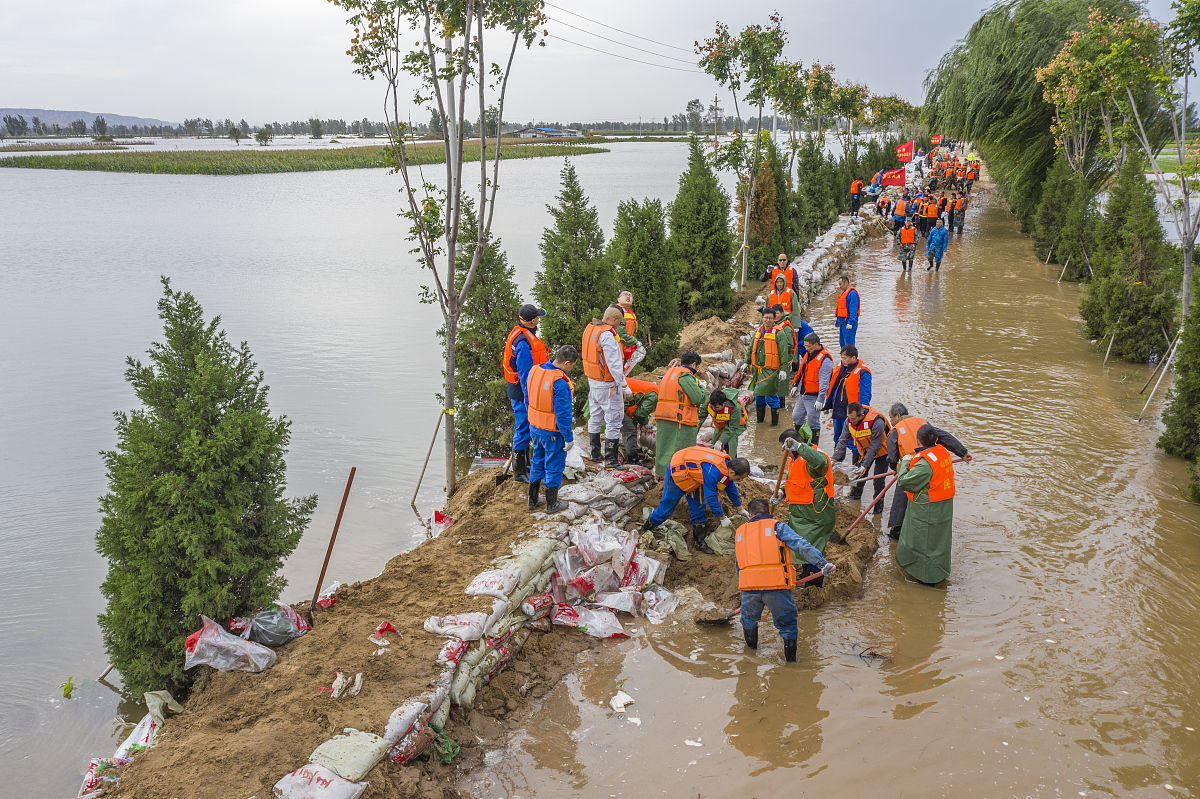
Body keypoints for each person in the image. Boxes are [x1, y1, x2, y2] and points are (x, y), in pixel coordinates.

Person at [735, 497, 835, 662]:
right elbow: (801, 545)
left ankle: (750, 656)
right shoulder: (778, 527)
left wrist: (745, 585)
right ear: (769, 512)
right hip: (776, 587)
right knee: (788, 626)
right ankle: (791, 663)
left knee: (748, 619)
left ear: (750, 514)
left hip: (749, 587)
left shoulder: (740, 532)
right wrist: (822, 564)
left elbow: (738, 563)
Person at [885, 403, 971, 538]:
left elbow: (891, 457)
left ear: (898, 415)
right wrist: (963, 453)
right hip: (930, 467)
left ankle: (896, 533)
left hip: (911, 469)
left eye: (891, 417)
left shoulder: (895, 431)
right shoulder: (923, 423)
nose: (890, 421)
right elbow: (944, 436)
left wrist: (897, 469)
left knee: (901, 498)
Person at [642, 447, 750, 553]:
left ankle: (699, 542)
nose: (738, 481)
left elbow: (730, 487)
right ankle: (647, 527)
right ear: (732, 472)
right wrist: (722, 518)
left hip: (694, 477)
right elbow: (711, 498)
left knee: (699, 508)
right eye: (739, 478)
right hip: (678, 472)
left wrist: (740, 509)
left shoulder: (727, 467)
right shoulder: (713, 472)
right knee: (667, 507)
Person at [895, 425, 958, 585]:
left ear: (918, 441)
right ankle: (940, 571)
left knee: (923, 540)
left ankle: (925, 576)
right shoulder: (943, 452)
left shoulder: (924, 464)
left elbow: (904, 481)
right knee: (940, 540)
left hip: (927, 508)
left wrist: (904, 464)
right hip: (944, 505)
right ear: (936, 440)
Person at [526, 345, 578, 513]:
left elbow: (527, 397)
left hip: (535, 426)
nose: (571, 369)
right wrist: (568, 437)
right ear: (567, 363)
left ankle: (532, 500)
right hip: (552, 432)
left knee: (537, 461)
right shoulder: (560, 382)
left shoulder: (535, 370)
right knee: (554, 465)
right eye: (572, 366)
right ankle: (551, 503)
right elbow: (563, 414)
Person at [502, 303, 549, 483]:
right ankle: (519, 471)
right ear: (531, 321)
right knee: (522, 428)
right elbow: (524, 375)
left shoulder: (525, 334)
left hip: (524, 389)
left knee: (526, 429)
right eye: (537, 318)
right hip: (522, 392)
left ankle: (525, 464)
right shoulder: (522, 343)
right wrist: (529, 400)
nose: (539, 320)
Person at [775, 428, 838, 557]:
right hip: (800, 513)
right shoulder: (793, 460)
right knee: (802, 546)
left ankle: (815, 575)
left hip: (814, 514)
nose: (784, 453)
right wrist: (781, 491)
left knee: (812, 546)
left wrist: (799, 448)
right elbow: (792, 479)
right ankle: (805, 571)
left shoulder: (813, 456)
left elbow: (820, 462)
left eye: (784, 449)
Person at [582, 306, 628, 470]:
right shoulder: (607, 336)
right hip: (608, 385)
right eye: (619, 322)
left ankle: (595, 454)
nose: (618, 326)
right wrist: (624, 384)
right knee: (614, 420)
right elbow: (614, 364)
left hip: (592, 382)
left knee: (595, 416)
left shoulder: (590, 330)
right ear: (614, 319)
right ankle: (611, 460)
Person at [832, 402, 892, 520]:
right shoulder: (848, 421)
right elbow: (843, 440)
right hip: (864, 450)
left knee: (878, 481)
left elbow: (875, 447)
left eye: (853, 419)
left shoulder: (877, 422)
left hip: (882, 452)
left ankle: (878, 509)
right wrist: (834, 459)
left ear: (861, 415)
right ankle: (855, 496)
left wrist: (864, 465)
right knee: (858, 475)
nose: (851, 421)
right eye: (849, 417)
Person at [653, 351, 707, 477]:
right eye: (697, 367)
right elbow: (697, 398)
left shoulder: (670, 373)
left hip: (664, 417)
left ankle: (661, 475)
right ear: (694, 364)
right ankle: (676, 477)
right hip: (680, 421)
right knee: (679, 452)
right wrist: (702, 388)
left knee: (664, 449)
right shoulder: (686, 376)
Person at [745, 305, 791, 427]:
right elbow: (751, 347)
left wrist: (783, 370)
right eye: (766, 318)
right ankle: (760, 421)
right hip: (758, 369)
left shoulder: (779, 333)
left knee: (771, 395)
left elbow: (783, 352)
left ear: (774, 319)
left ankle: (774, 424)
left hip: (771, 370)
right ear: (762, 318)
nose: (768, 320)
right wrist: (746, 361)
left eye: (770, 318)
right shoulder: (758, 331)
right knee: (759, 396)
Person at [825, 345, 871, 456]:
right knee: (838, 439)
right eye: (842, 358)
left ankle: (858, 467)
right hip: (838, 411)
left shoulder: (863, 373)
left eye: (845, 358)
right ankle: (837, 464)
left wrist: (862, 415)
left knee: (854, 443)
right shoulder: (842, 367)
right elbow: (833, 386)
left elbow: (865, 396)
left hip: (852, 414)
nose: (842, 360)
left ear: (854, 358)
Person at [790, 332, 832, 446]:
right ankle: (799, 443)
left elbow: (824, 382)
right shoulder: (808, 354)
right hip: (802, 393)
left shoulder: (825, 359)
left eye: (808, 346)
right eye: (805, 346)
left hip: (814, 396)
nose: (806, 348)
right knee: (796, 416)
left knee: (813, 421)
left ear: (816, 344)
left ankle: (814, 446)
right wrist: (795, 385)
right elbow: (801, 372)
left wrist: (821, 399)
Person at [621, 376, 658, 466]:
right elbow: (640, 414)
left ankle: (632, 454)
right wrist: (645, 423)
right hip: (614, 398)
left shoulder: (654, 390)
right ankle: (632, 460)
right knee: (630, 431)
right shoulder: (655, 396)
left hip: (611, 393)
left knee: (630, 428)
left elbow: (634, 412)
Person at [707, 387, 748, 457]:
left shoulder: (736, 408)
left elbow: (731, 428)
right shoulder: (711, 401)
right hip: (720, 424)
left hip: (735, 426)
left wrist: (720, 441)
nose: (713, 409)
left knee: (731, 442)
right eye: (712, 406)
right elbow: (702, 415)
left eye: (716, 407)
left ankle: (732, 460)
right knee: (714, 442)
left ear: (724, 404)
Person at [615, 289, 645, 370]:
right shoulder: (617, 311)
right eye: (625, 294)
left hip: (626, 345)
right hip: (617, 344)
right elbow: (619, 332)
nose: (628, 296)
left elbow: (632, 331)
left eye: (630, 295)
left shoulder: (631, 313)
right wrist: (635, 342)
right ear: (618, 299)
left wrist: (634, 345)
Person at [834, 275, 860, 348]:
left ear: (846, 283)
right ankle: (844, 359)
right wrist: (838, 321)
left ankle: (852, 358)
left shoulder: (852, 294)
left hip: (848, 324)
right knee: (842, 344)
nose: (839, 286)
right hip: (842, 323)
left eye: (840, 284)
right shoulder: (843, 292)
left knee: (849, 345)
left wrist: (850, 322)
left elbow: (853, 310)